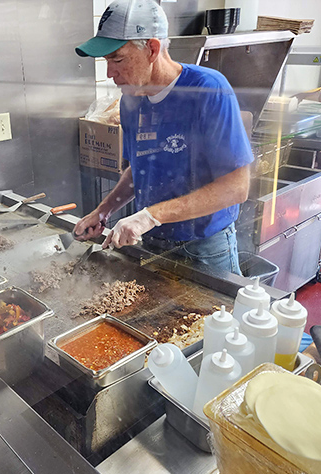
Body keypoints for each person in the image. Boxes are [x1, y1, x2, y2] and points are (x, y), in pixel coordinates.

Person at [73, 0, 253, 274]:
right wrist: (104, 210)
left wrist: (149, 217)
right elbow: (139, 168)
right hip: (154, 243)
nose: (110, 74)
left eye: (117, 59)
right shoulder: (130, 102)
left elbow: (236, 188)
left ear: (153, 49)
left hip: (205, 247)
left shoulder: (207, 90)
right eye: (107, 61)